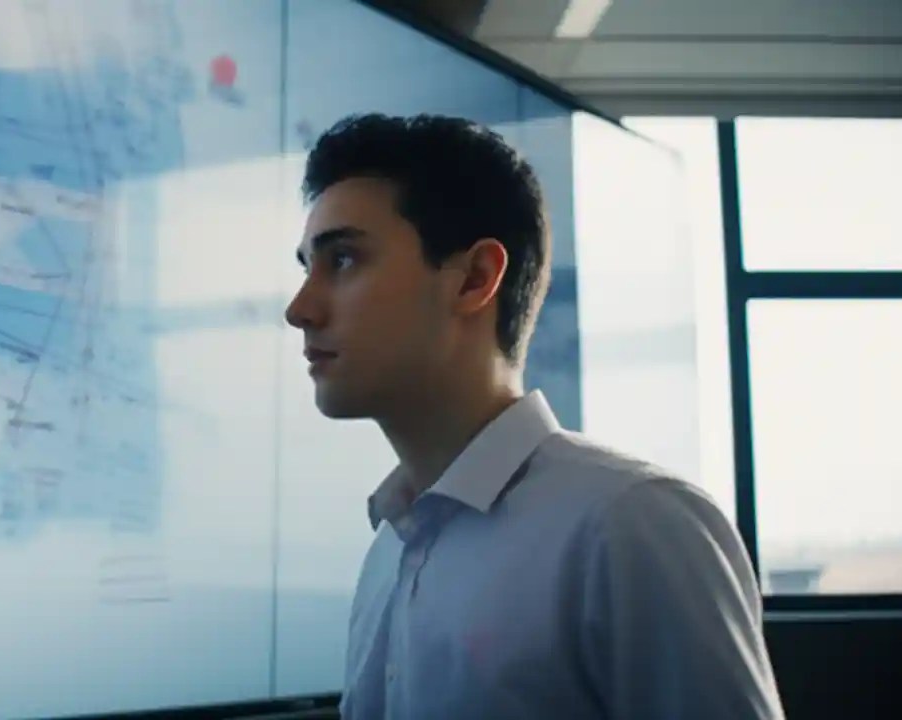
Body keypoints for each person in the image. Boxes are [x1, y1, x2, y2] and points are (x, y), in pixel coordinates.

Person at [284, 113, 785, 719]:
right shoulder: (389, 550)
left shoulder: (633, 525)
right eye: (306, 266)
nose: (300, 308)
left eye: (342, 261)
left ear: (473, 279)